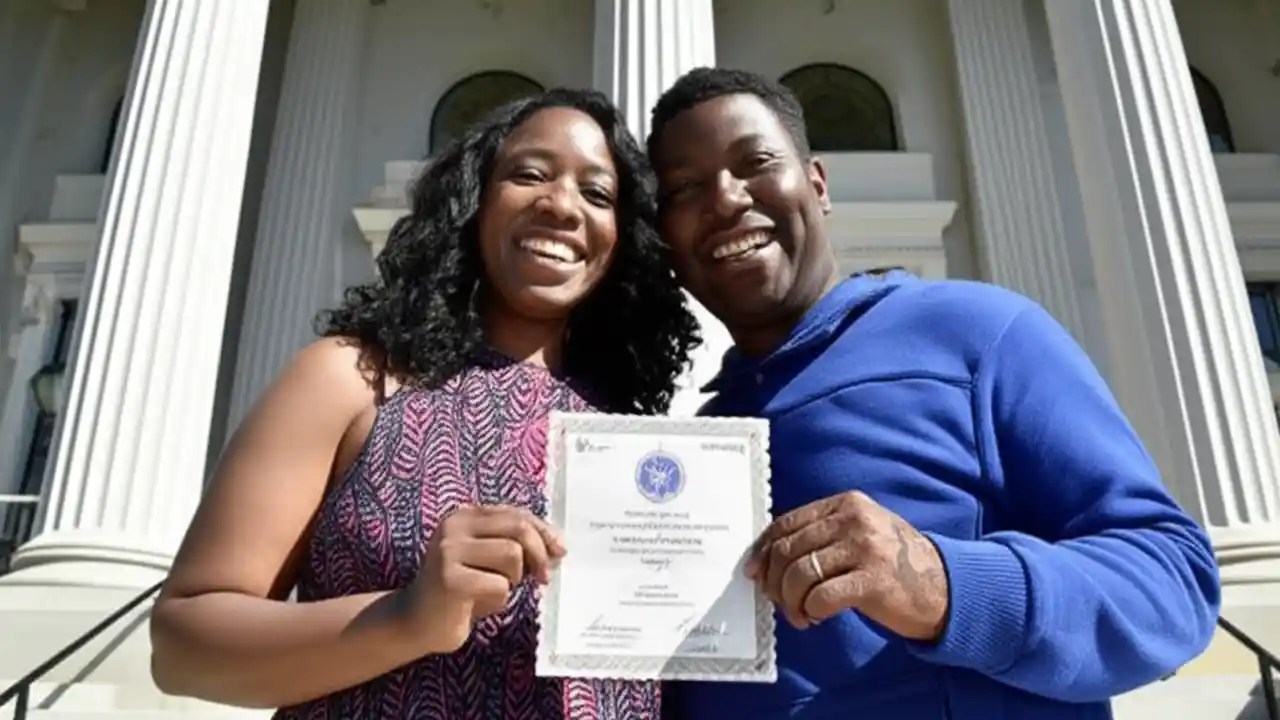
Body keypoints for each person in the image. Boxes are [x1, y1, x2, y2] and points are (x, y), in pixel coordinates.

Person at [647, 67, 1220, 719]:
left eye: (755, 161)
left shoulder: (979, 333)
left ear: (816, 183)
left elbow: (1174, 586)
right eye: (685, 187)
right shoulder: (704, 437)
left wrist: (942, 585)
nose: (723, 199)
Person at [149, 88, 700, 719]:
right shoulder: (353, 379)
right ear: (474, 201)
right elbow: (182, 647)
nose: (561, 206)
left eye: (598, 194)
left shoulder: (630, 435)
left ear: (622, 238)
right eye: (529, 175)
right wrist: (408, 617)